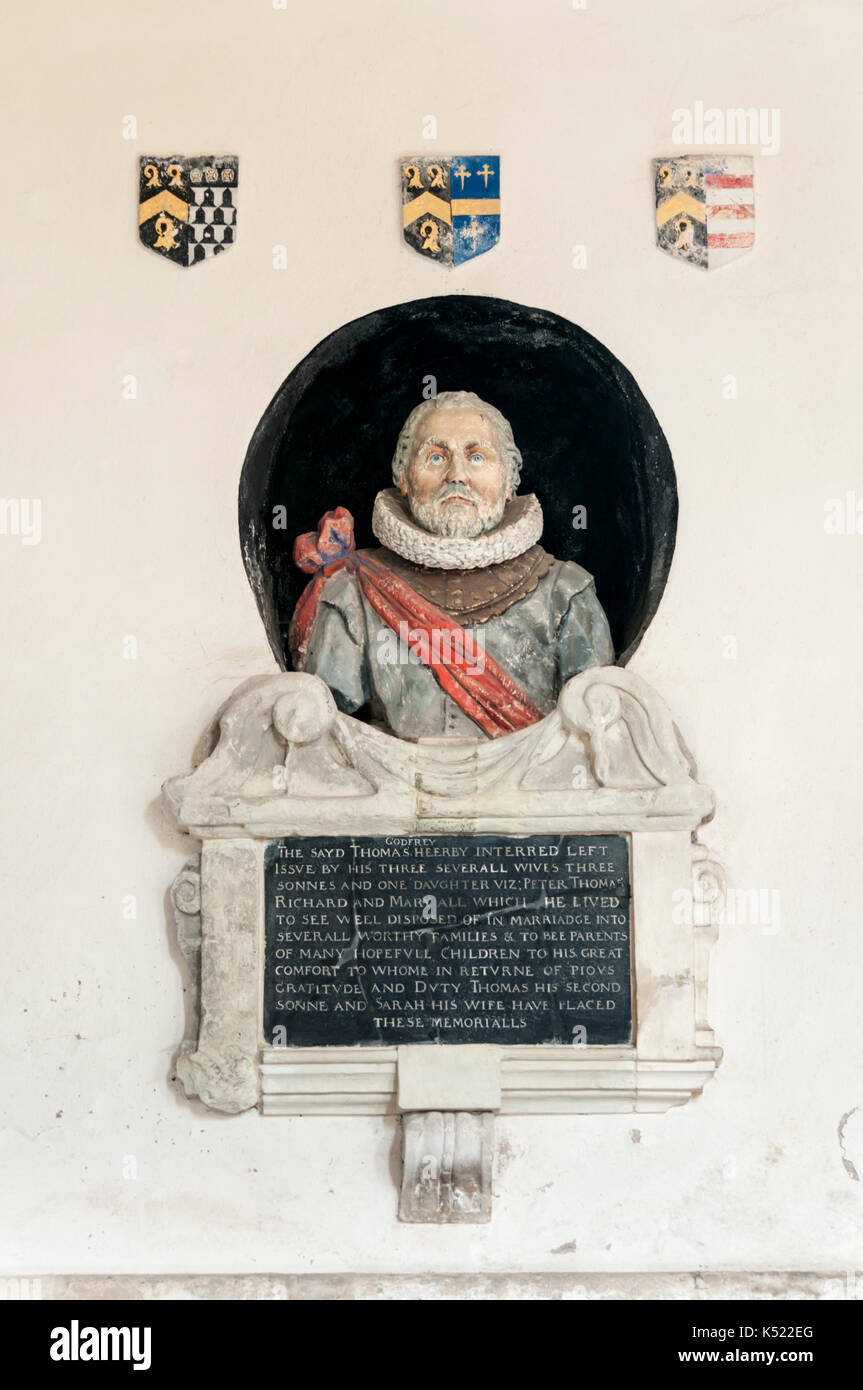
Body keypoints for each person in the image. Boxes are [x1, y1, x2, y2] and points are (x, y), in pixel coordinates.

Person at [291, 390, 613, 741]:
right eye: (435, 457)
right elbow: (324, 730)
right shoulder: (351, 591)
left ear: (509, 481)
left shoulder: (565, 594)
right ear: (403, 478)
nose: (457, 475)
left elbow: (594, 726)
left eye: (476, 457)